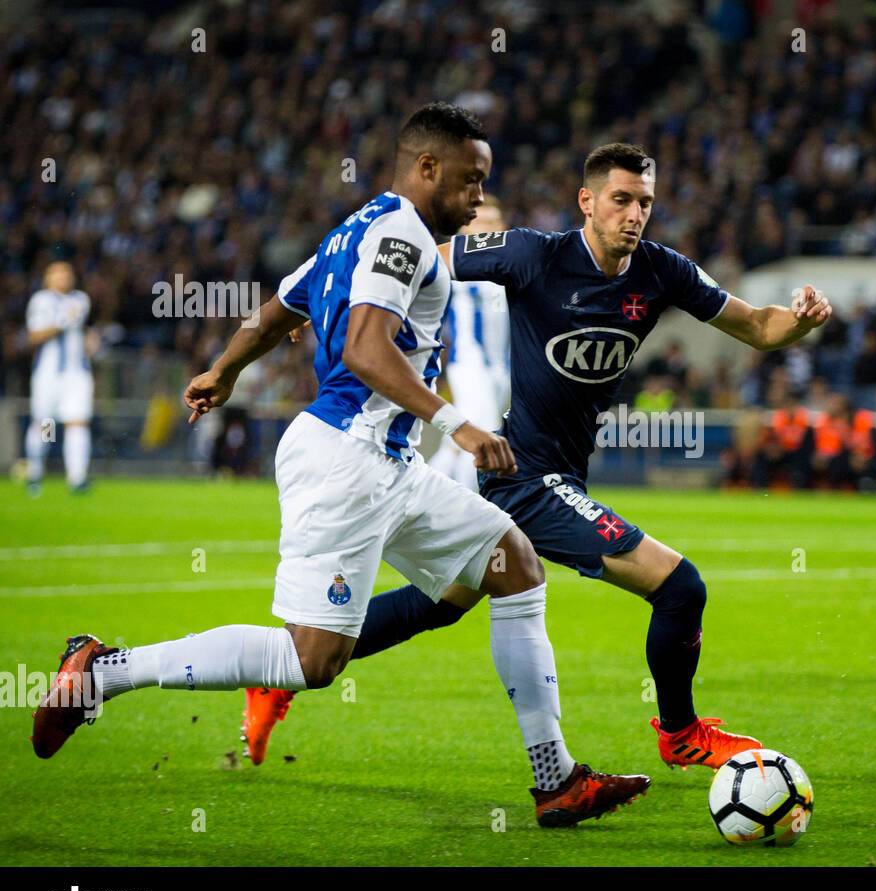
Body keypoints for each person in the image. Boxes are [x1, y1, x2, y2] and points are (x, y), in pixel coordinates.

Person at [33, 103, 649, 828]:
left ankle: (556, 779)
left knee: (513, 562)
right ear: (426, 168)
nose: (478, 198)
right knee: (313, 661)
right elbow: (363, 346)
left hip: (386, 463)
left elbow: (279, 310)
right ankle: (103, 673)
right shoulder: (403, 236)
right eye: (468, 181)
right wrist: (457, 424)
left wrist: (224, 370)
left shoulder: (357, 228)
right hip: (346, 461)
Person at [241, 142, 833, 771]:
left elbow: (758, 327)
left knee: (436, 605)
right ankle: (681, 734)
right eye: (621, 200)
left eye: (645, 204)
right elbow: (410, 257)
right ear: (587, 201)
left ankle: (282, 672)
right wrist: (331, 299)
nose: (634, 215)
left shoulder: (662, 271)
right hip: (524, 475)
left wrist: (800, 319)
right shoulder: (532, 253)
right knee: (681, 587)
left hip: (553, 472)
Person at [426, 195, 511, 489]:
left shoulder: (510, 269)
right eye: (480, 223)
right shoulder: (455, 269)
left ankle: (423, 494)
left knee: (453, 445)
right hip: (471, 367)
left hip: (501, 370)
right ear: (465, 232)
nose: (487, 228)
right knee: (482, 436)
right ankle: (473, 508)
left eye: (493, 222)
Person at [24, 261, 94, 495]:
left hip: (77, 374)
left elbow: (82, 329)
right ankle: (35, 472)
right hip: (48, 374)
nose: (64, 276)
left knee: (78, 421)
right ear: (47, 277)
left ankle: (77, 478)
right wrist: (63, 321)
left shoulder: (81, 299)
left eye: (67, 272)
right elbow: (35, 335)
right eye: (58, 272)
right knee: (46, 424)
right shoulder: (41, 300)